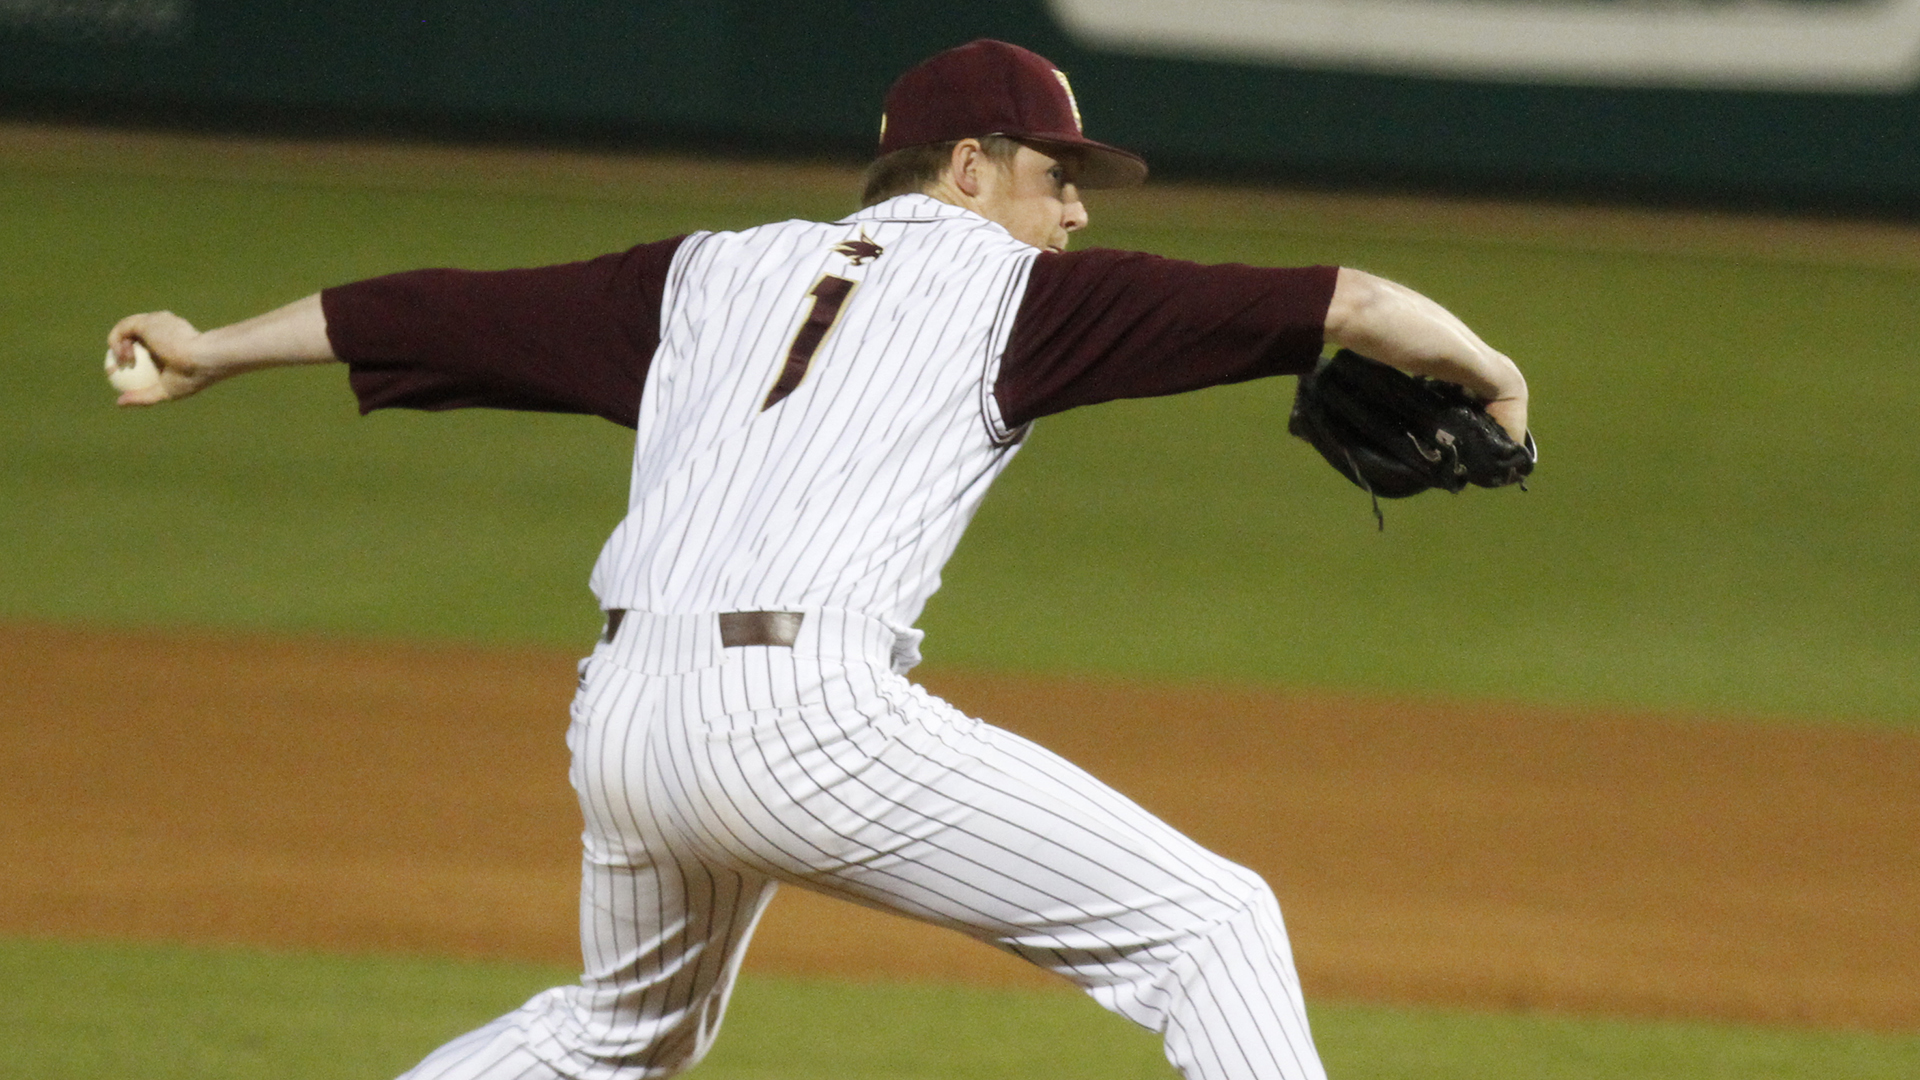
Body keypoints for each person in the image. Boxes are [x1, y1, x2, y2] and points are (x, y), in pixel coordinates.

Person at [109, 39, 1526, 1080]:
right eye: (1057, 177)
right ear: (968, 170)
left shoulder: (705, 271)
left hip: (623, 718)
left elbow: (439, 311)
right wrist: (1498, 373)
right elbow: (1360, 301)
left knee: (618, 1033)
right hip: (798, 722)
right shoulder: (1017, 289)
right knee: (1214, 928)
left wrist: (216, 348)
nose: (1078, 210)